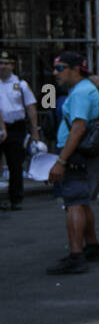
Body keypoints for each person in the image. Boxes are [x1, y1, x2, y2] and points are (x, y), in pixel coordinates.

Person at [45, 51, 99, 273]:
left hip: (76, 154)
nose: (55, 73)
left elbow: (78, 128)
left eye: (60, 68)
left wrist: (61, 161)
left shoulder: (80, 93)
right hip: (83, 153)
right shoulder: (85, 89)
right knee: (82, 200)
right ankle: (92, 247)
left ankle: (76, 256)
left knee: (73, 202)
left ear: (75, 69)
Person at [1, 50, 41, 211]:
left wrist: (35, 131)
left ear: (12, 65)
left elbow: (31, 108)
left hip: (16, 127)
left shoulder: (21, 84)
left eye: (5, 63)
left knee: (15, 164)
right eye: (0, 63)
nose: (2, 66)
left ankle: (15, 198)